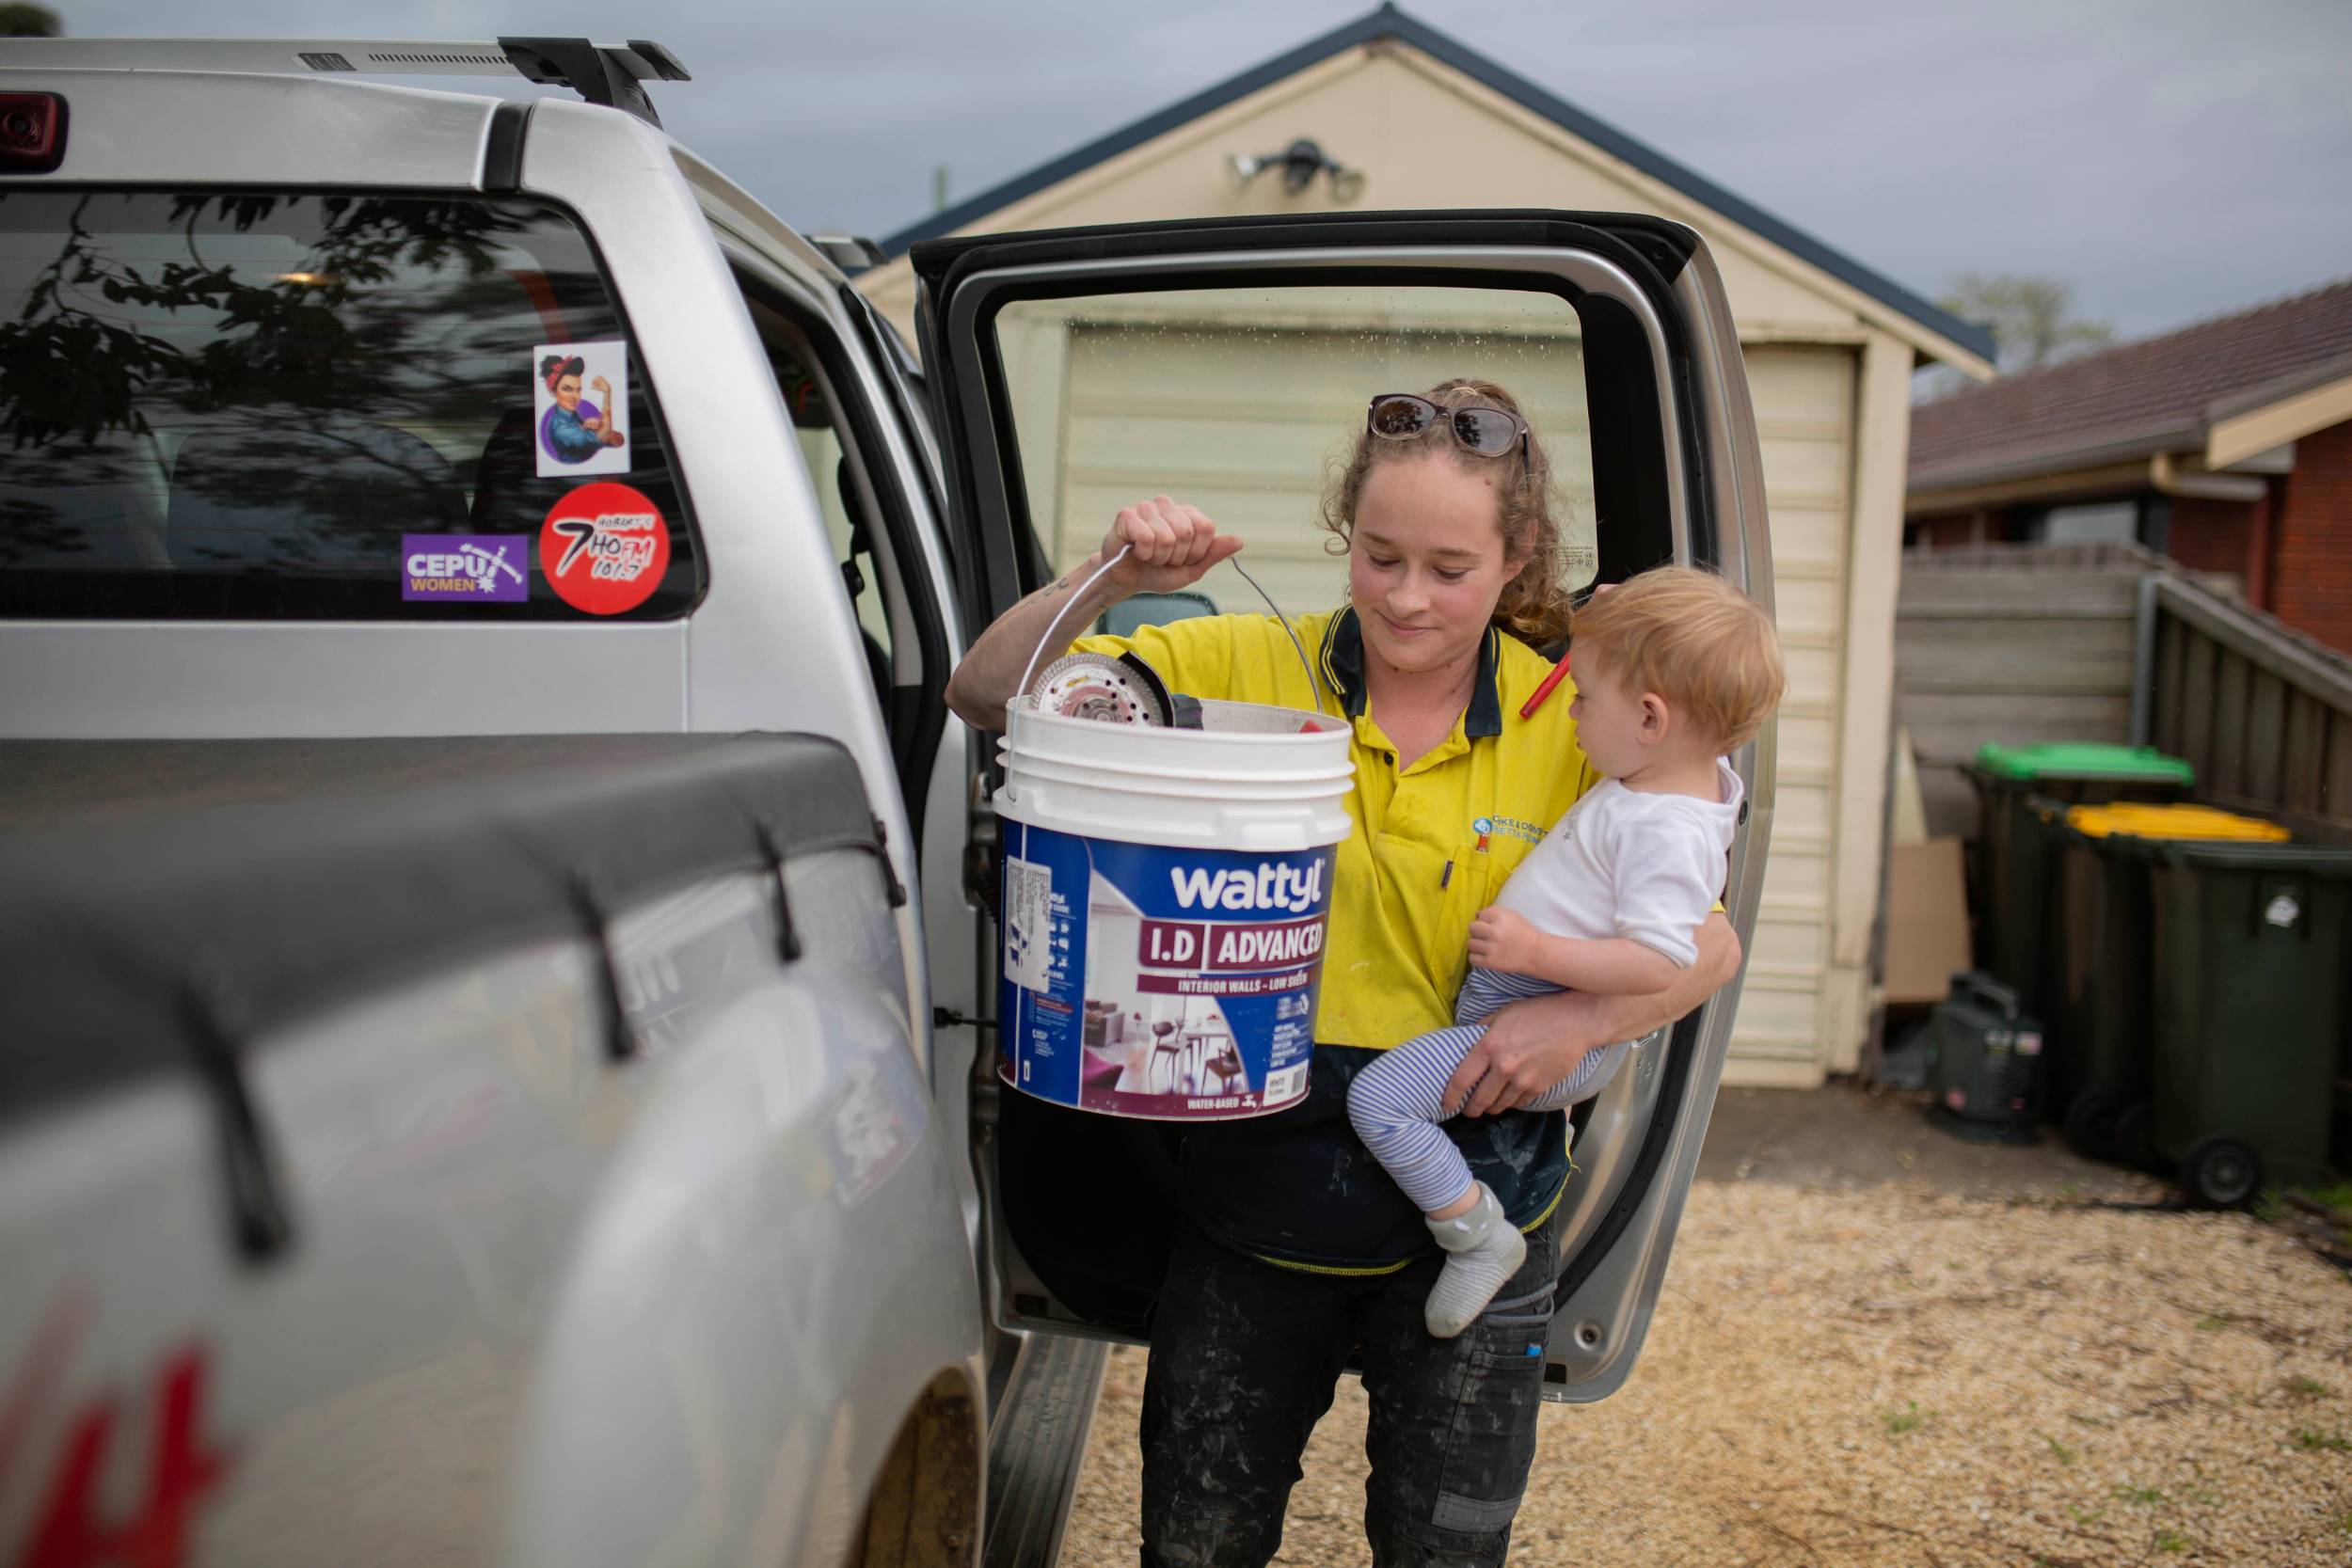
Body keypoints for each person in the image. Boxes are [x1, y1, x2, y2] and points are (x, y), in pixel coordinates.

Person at [944, 379, 1744, 1568]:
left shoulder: (1569, 712)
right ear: (1345, 536)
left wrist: (1581, 1018)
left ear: (1518, 554)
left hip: (1478, 1193)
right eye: (1379, 556)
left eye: (1450, 566)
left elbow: (1706, 942)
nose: (1406, 597)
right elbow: (986, 692)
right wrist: (1107, 579)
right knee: (1197, 1542)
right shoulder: (1244, 658)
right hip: (1255, 1202)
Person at [1347, 565, 1783, 1338]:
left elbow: (1657, 962)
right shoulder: (1688, 779)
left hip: (1538, 1019)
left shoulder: (1663, 829)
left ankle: (1475, 1234)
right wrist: (1616, 629)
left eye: (1582, 697)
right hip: (1522, 1001)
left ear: (1651, 718)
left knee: (1378, 1102)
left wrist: (1534, 946)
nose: (1570, 711)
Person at [538, 353, 624, 464]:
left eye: (578, 390)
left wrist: (599, 427)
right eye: (567, 389)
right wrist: (607, 392)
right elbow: (607, 435)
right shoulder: (560, 428)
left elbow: (619, 441)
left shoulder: (574, 416)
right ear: (553, 392)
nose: (575, 396)